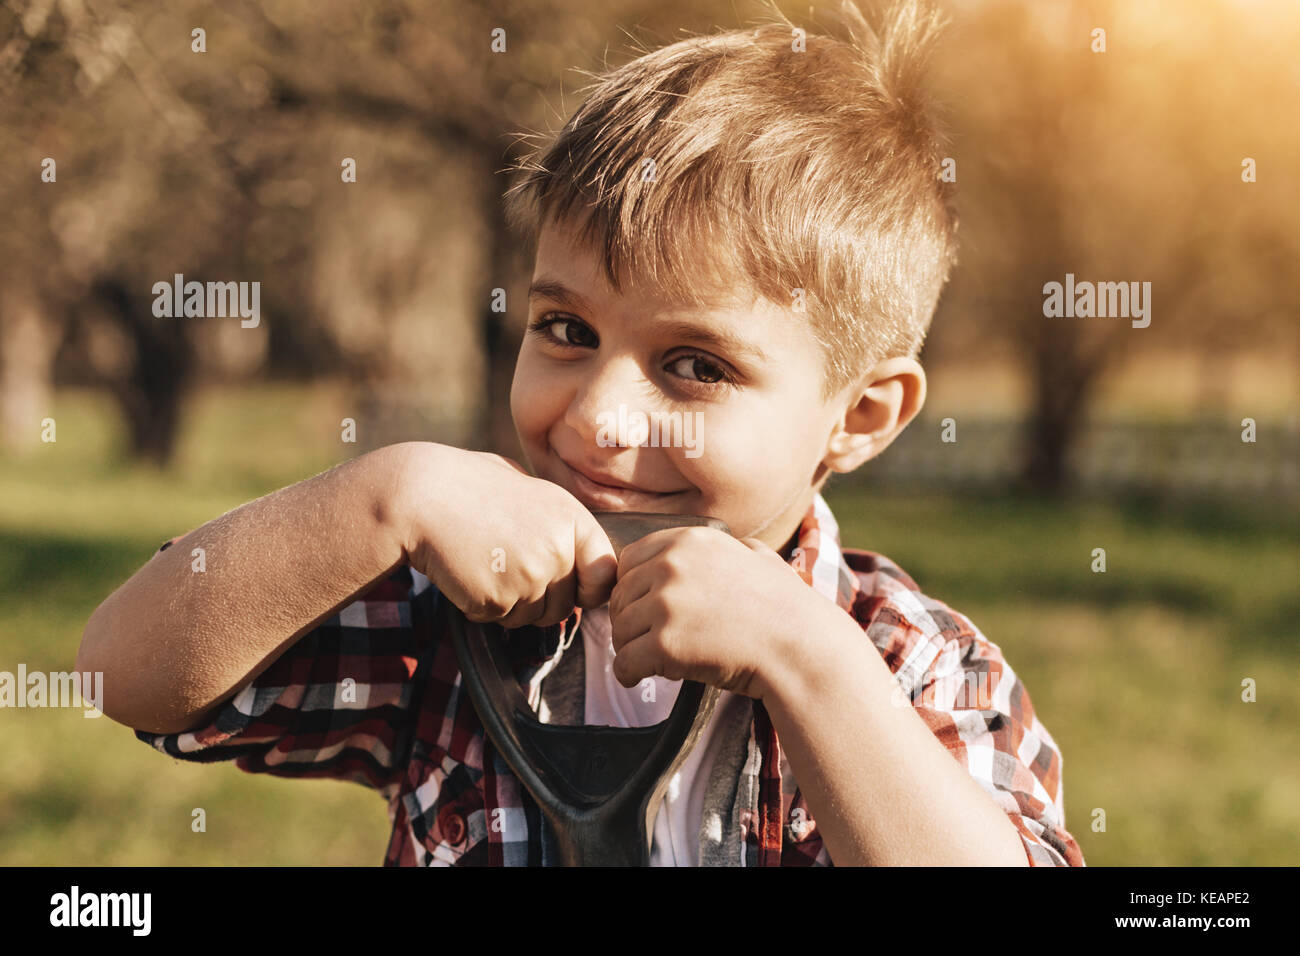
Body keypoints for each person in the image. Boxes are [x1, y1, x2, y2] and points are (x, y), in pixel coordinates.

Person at [77, 0, 1084, 867]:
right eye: (566, 329)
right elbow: (123, 672)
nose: (598, 417)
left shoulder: (910, 661)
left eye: (695, 366)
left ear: (859, 415)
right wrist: (382, 495)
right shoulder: (458, 619)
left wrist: (806, 660)